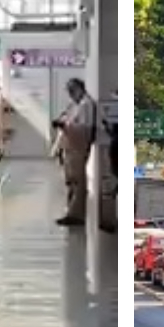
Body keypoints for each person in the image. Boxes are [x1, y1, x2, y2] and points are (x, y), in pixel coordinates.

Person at [53, 78, 97, 227]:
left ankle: (76, 215)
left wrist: (64, 125)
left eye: (72, 90)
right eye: (69, 91)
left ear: (80, 88)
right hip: (71, 147)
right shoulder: (77, 104)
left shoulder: (87, 105)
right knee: (71, 181)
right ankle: (71, 212)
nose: (71, 94)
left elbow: (84, 130)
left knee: (78, 181)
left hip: (78, 147)